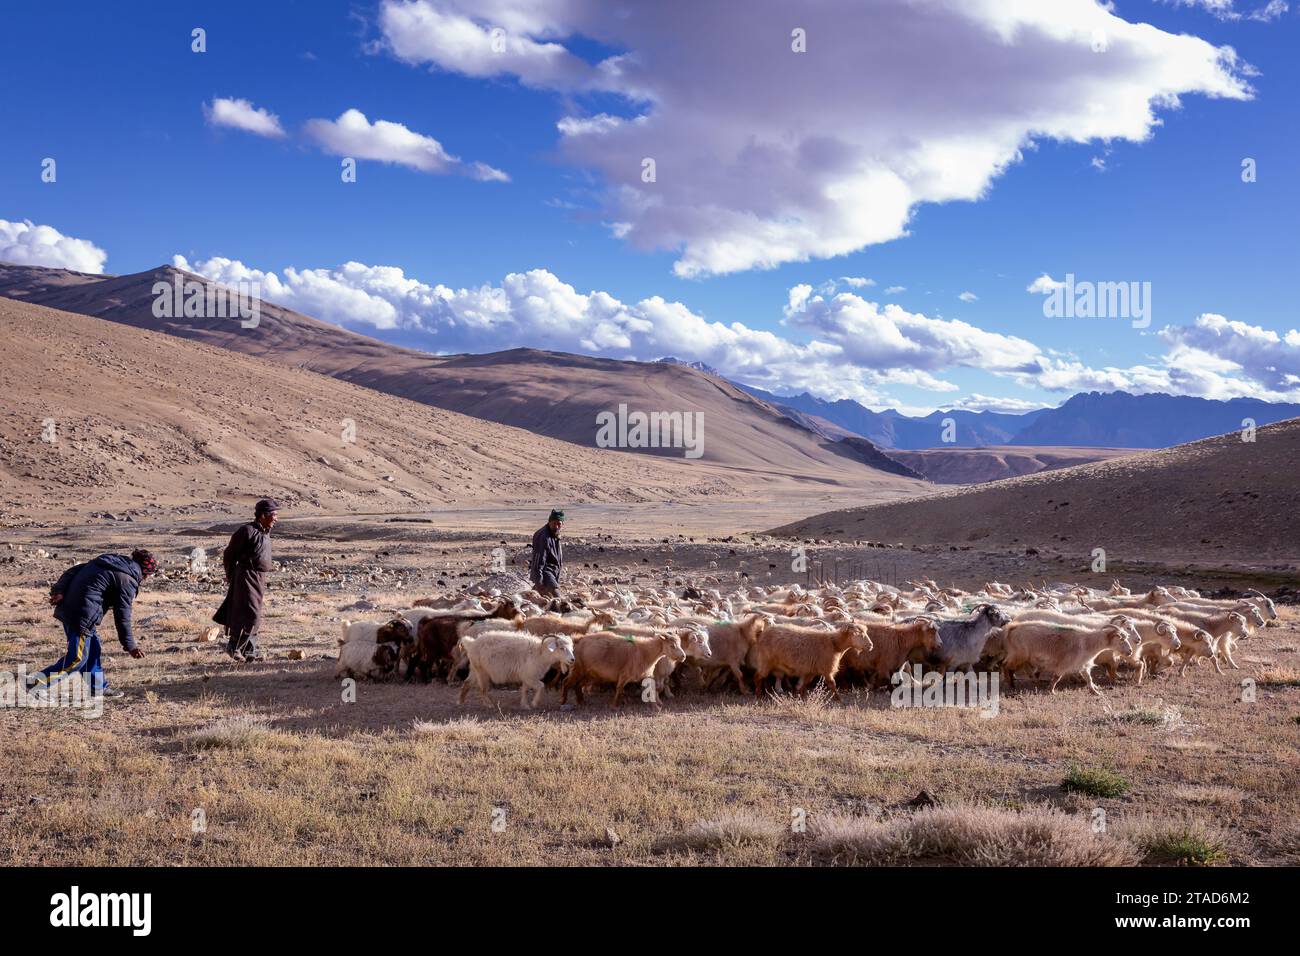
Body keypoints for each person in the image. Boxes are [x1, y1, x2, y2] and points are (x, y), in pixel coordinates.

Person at [31, 549, 156, 699]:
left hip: (75, 610)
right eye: (147, 575)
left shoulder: (112, 562)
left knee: (93, 649)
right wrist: (130, 646)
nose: (146, 579)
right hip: (81, 616)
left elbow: (74, 570)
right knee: (77, 658)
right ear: (145, 572)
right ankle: (36, 683)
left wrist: (59, 590)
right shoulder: (127, 579)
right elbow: (122, 616)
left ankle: (98, 688)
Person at [215, 498, 278, 662]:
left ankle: (250, 652)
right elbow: (229, 554)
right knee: (250, 614)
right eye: (274, 515)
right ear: (263, 515)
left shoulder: (265, 532)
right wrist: (230, 575)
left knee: (253, 614)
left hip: (258, 578)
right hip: (245, 576)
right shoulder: (246, 531)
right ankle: (234, 646)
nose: (276, 518)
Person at [529, 509, 565, 598]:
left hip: (551, 573)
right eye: (554, 523)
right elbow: (539, 560)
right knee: (559, 600)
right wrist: (539, 582)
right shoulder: (544, 537)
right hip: (545, 573)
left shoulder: (554, 534)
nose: (556, 526)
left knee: (539, 601)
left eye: (559, 524)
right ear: (549, 522)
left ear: (562, 524)